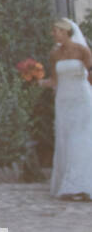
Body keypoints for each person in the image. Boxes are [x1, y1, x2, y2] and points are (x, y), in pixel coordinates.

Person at [41, 17, 92, 201]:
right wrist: (37, 81)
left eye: (56, 31)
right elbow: (54, 80)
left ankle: (83, 185)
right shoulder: (55, 54)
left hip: (81, 97)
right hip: (63, 99)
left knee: (81, 138)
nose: (53, 34)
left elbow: (91, 74)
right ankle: (69, 185)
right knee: (66, 138)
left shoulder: (82, 51)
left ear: (65, 32)